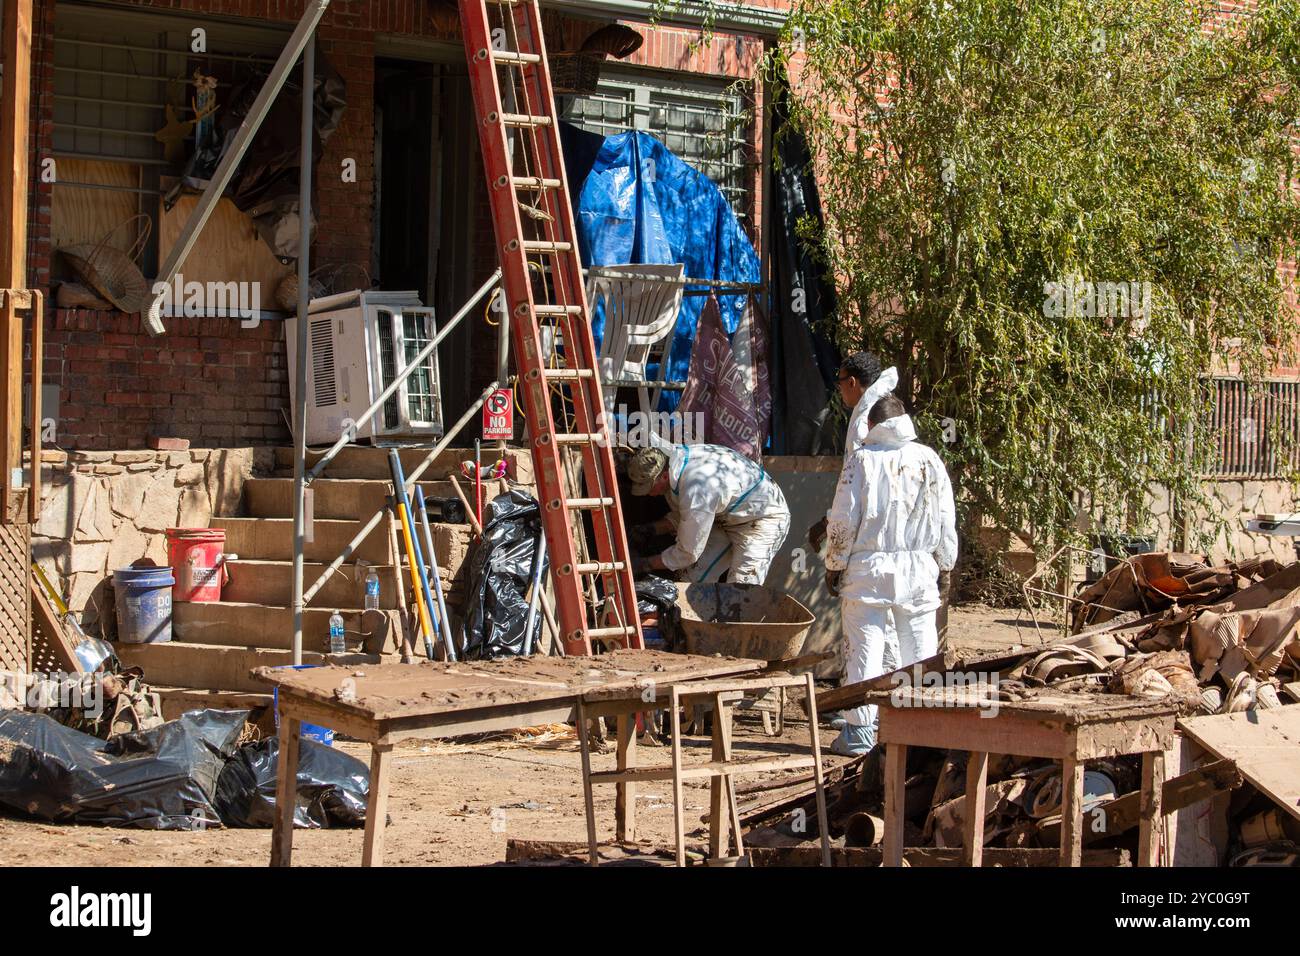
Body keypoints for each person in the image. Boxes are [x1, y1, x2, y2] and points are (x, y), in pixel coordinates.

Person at [823, 394, 958, 756]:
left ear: (870, 425)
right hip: (919, 569)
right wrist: (945, 563)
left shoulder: (860, 461)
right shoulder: (930, 459)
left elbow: (842, 522)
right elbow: (946, 518)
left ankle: (860, 732)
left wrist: (834, 565)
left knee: (863, 650)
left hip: (869, 571)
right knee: (920, 650)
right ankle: (921, 731)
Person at [626, 443, 790, 585]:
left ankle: (735, 620)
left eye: (649, 488)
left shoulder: (697, 487)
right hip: (727, 515)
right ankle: (690, 620)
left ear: (663, 476)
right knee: (692, 577)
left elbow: (688, 552)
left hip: (762, 518)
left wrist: (645, 564)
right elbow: (688, 515)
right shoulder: (678, 464)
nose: (650, 494)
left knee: (742, 586)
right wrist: (649, 529)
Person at [808, 352, 899, 551]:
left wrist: (829, 523)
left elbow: (858, 485)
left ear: (851, 382)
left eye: (839, 383)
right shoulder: (887, 410)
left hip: (869, 536)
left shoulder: (863, 422)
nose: (839, 390)